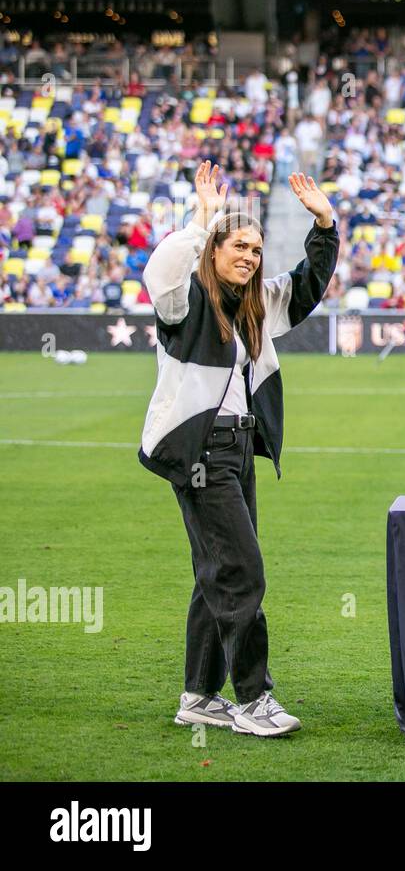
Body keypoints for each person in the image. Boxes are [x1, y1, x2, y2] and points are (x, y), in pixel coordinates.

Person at [139, 161, 339, 738]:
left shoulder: (256, 307)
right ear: (215, 250)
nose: (250, 256)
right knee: (243, 574)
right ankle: (254, 700)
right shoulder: (185, 303)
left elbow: (306, 286)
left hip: (237, 451)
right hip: (201, 457)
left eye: (256, 248)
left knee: (217, 576)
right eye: (239, 246)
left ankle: (199, 697)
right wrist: (202, 217)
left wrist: (324, 223)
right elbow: (162, 272)